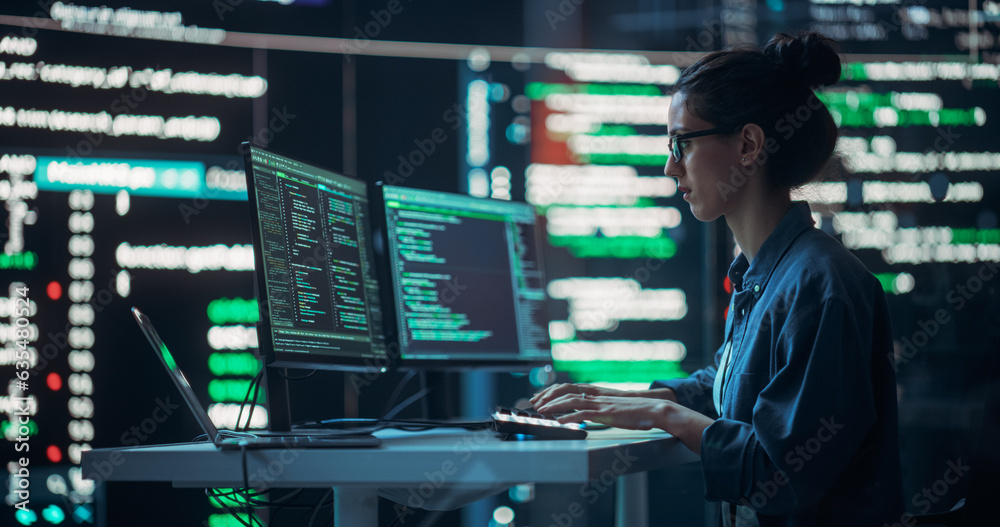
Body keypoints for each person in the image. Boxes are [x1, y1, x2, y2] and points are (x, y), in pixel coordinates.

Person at [530, 32, 904, 526]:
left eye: (682, 143)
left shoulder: (819, 284)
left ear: (748, 145)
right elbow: (734, 385)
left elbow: (778, 472)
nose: (670, 166)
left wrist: (663, 416)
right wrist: (631, 398)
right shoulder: (769, 273)